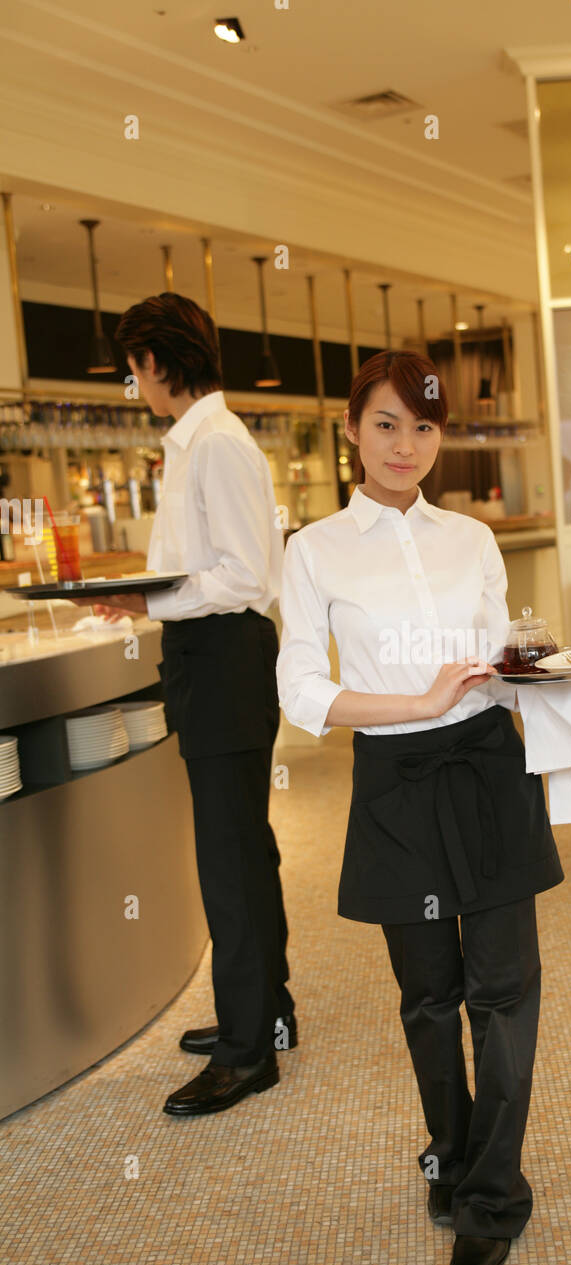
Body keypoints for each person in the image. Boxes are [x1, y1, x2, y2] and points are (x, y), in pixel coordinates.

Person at [276, 349, 571, 1265]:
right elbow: (301, 689)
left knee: (503, 992)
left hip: (491, 774)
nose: (407, 445)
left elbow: (512, 677)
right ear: (352, 428)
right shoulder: (312, 551)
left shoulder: (472, 542)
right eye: (387, 424)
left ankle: (493, 1193)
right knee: (429, 996)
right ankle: (453, 1153)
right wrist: (414, 704)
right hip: (395, 782)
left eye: (425, 428)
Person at [74, 293, 296, 1116]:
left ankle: (247, 1053)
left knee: (230, 860)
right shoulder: (196, 442)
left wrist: (146, 603)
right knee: (242, 847)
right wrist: (149, 599)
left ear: (157, 362)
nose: (135, 382)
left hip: (226, 657)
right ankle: (265, 1012)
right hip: (211, 658)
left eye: (135, 366)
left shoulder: (217, 445)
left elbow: (245, 578)